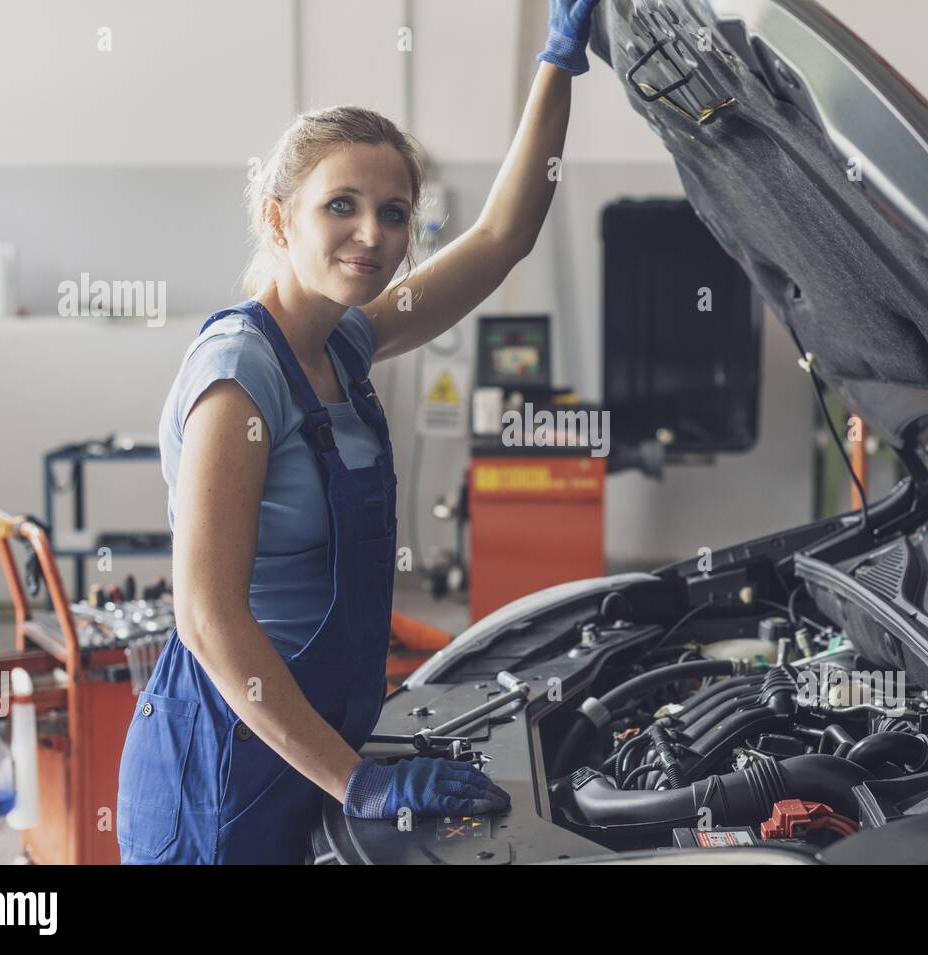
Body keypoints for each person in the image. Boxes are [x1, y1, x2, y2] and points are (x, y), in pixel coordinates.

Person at [116, 0, 602, 864]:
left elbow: (500, 235)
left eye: (395, 212)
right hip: (221, 768)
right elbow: (206, 617)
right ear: (278, 217)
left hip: (313, 742)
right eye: (341, 205)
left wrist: (557, 63)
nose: (372, 235)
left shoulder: (345, 341)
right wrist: (355, 782)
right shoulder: (240, 376)